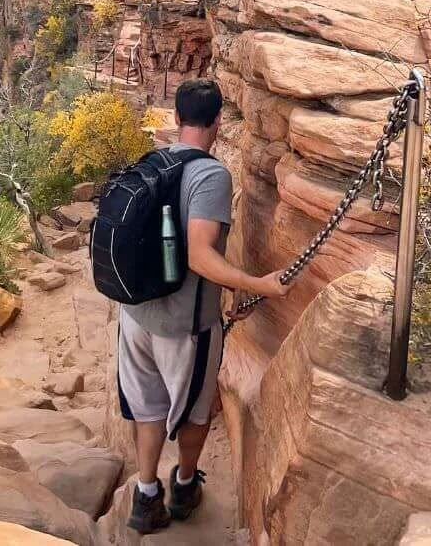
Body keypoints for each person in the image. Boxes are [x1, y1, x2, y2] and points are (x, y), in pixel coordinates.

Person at [117, 80, 294, 532]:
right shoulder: (210, 175)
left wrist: (230, 287)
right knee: (196, 409)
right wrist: (259, 284)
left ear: (177, 119)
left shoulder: (152, 161)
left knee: (149, 408)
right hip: (184, 326)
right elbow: (199, 255)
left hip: (134, 315)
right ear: (217, 122)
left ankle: (145, 495)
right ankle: (184, 485)